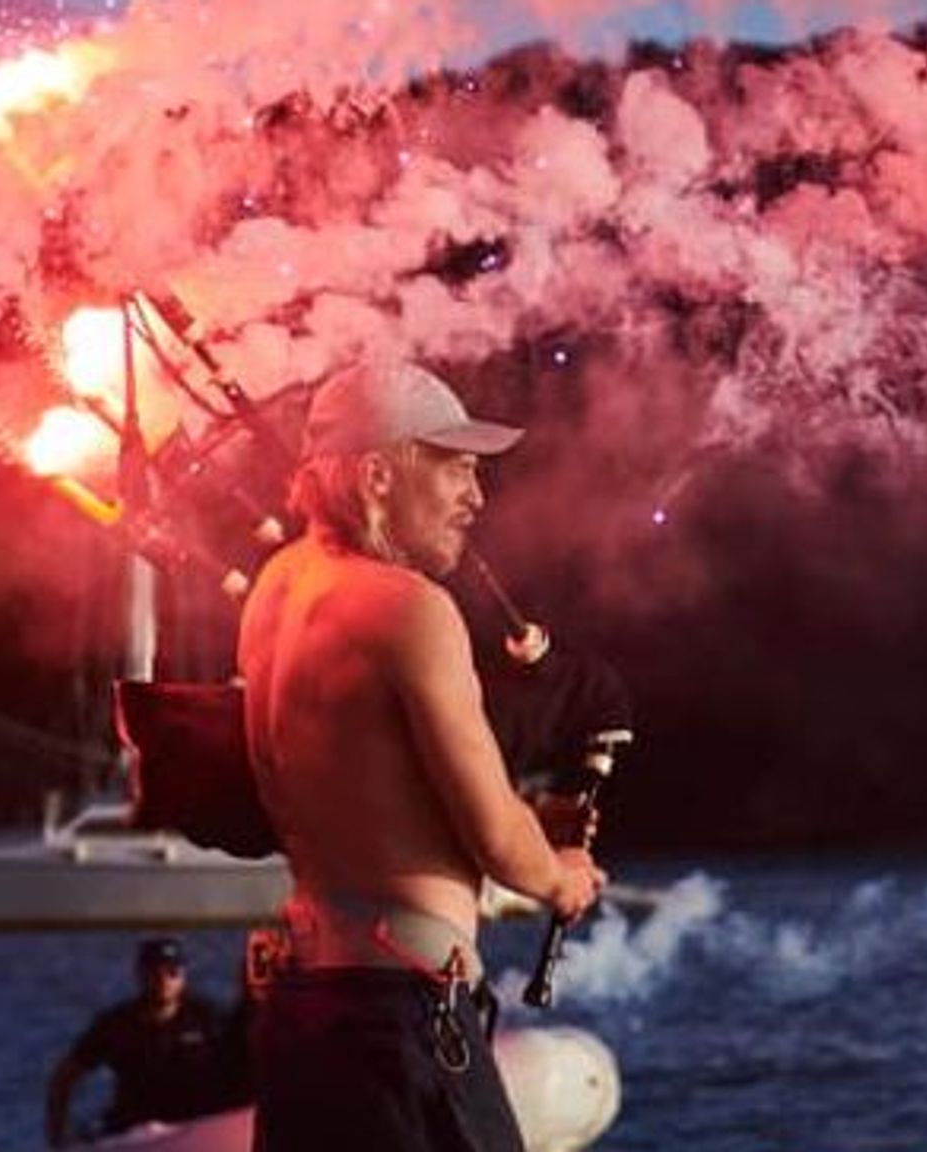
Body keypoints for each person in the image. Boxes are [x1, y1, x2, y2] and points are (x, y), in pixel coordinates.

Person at [236, 360, 606, 1152]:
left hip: (305, 1008)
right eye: (458, 470)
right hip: (401, 1015)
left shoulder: (274, 589)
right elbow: (499, 840)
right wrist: (562, 877)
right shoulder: (409, 609)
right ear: (376, 475)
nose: (476, 498)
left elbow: (363, 784)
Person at [42, 937, 245, 1147]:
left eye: (172, 972)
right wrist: (56, 1138)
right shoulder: (117, 1024)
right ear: (139, 975)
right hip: (135, 1134)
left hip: (197, 1130)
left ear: (183, 975)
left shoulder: (208, 1017)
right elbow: (63, 1078)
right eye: (155, 972)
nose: (164, 980)